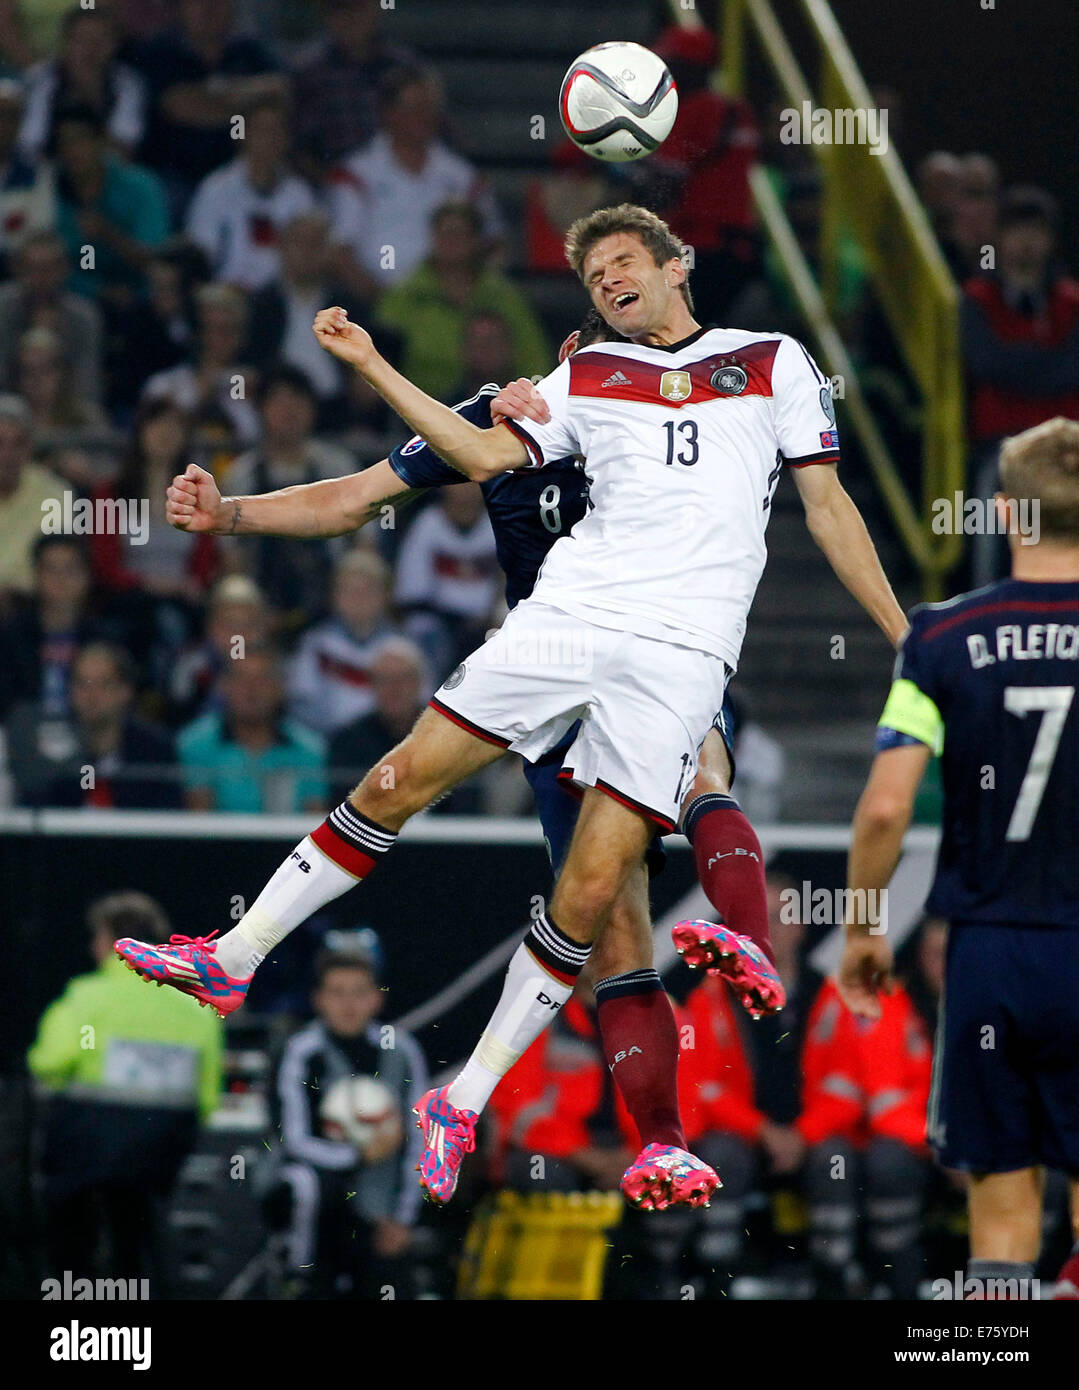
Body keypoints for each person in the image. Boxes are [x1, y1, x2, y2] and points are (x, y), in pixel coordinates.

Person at [127, 204, 904, 1216]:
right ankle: (236, 956)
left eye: (627, 265)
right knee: (415, 789)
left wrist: (902, 631)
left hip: (674, 648)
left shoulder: (762, 365)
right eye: (593, 278)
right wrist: (233, 508)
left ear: (676, 264)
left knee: (639, 858)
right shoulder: (537, 401)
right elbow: (365, 494)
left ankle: (678, 1055)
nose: (609, 287)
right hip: (559, 634)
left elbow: (826, 502)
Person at [839, 415, 1079, 1301]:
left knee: (1001, 1211)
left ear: (1009, 516)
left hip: (989, 955)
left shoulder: (938, 640)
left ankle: (994, 1341)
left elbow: (887, 804)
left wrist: (863, 928)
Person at [28, 891, 222, 1293]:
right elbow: (207, 1096)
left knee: (69, 1236)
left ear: (112, 942)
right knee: (136, 1237)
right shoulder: (195, 1002)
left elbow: (49, 1062)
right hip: (159, 1150)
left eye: (96, 936)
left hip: (84, 1146)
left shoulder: (86, 996)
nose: (91, 946)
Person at [267, 947, 427, 1299]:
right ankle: (298, 1274)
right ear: (318, 999)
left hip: (383, 1215)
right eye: (337, 993)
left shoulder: (403, 1052)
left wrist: (402, 1220)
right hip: (322, 1212)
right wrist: (358, 1155)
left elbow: (422, 1143)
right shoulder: (300, 1052)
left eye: (359, 993)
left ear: (376, 999)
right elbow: (292, 1140)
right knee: (302, 1186)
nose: (348, 1004)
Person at [330, 65, 503, 296]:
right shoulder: (356, 174)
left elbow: (494, 243)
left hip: (449, 306)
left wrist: (468, 294)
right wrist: (383, 304)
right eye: (411, 109)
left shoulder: (463, 177)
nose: (422, 117)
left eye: (428, 108)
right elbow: (340, 251)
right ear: (388, 113)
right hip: (376, 306)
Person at [373, 199, 547, 402]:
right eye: (444, 233)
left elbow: (534, 359)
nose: (451, 240)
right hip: (416, 407)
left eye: (459, 233)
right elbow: (377, 354)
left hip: (493, 409)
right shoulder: (403, 296)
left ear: (476, 240)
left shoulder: (503, 296)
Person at [7, 640, 181, 809]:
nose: (91, 696)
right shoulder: (49, 750)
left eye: (103, 684)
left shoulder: (155, 751)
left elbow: (166, 818)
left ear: (125, 690)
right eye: (82, 684)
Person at [185, 91, 316, 292]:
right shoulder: (216, 188)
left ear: (286, 138)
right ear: (243, 135)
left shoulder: (299, 193)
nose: (268, 139)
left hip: (279, 300)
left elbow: (308, 258)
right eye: (261, 130)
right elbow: (200, 255)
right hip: (226, 297)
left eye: (275, 131)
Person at [177, 642, 325, 815]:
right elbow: (197, 822)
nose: (251, 690)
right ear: (224, 686)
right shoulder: (195, 744)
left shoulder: (309, 749)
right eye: (241, 679)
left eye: (262, 680)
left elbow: (315, 817)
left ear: (280, 688)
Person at [52, 103, 171, 307]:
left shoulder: (140, 187)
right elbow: (49, 267)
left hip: (141, 299)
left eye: (80, 139)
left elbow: (157, 261)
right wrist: (100, 291)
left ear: (101, 141)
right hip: (74, 303)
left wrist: (108, 235)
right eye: (64, 143)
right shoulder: (50, 192)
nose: (72, 150)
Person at [292, 0, 414, 176]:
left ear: (376, 10)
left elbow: (436, 133)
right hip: (335, 186)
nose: (351, 18)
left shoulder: (404, 66)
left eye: (359, 8)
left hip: (403, 180)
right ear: (327, 16)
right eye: (341, 9)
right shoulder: (308, 73)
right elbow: (298, 147)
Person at [287, 548, 401, 736]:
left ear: (385, 596)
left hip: (388, 744)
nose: (358, 599)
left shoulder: (403, 648)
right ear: (335, 597)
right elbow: (301, 705)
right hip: (327, 750)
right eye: (349, 590)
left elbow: (419, 708)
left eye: (367, 590)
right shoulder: (316, 644)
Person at [393, 480, 499, 674]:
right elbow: (410, 593)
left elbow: (514, 582)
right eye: (460, 482)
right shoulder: (428, 522)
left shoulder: (499, 523)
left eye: (473, 483)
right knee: (420, 627)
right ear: (445, 485)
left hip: (487, 622)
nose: (465, 489)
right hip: (440, 621)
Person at [18, 6, 146, 163]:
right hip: (47, 174)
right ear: (65, 42)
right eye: (82, 39)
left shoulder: (128, 83)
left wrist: (92, 95)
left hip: (105, 174)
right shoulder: (40, 79)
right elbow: (30, 144)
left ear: (115, 45)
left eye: (101, 40)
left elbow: (124, 146)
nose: (91, 48)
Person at [327, 636, 431, 805]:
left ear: (419, 683)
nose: (394, 688)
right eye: (384, 680)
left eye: (403, 678)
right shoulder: (348, 742)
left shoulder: (444, 736)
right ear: (372, 685)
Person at [0, 392, 66, 600]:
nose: (7, 454)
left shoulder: (56, 494)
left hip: (30, 606)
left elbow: (59, 567)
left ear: (29, 448)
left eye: (17, 443)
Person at [0, 78, 55, 277]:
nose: (3, 125)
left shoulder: (37, 171)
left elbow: (39, 230)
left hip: (17, 270)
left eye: (10, 116)